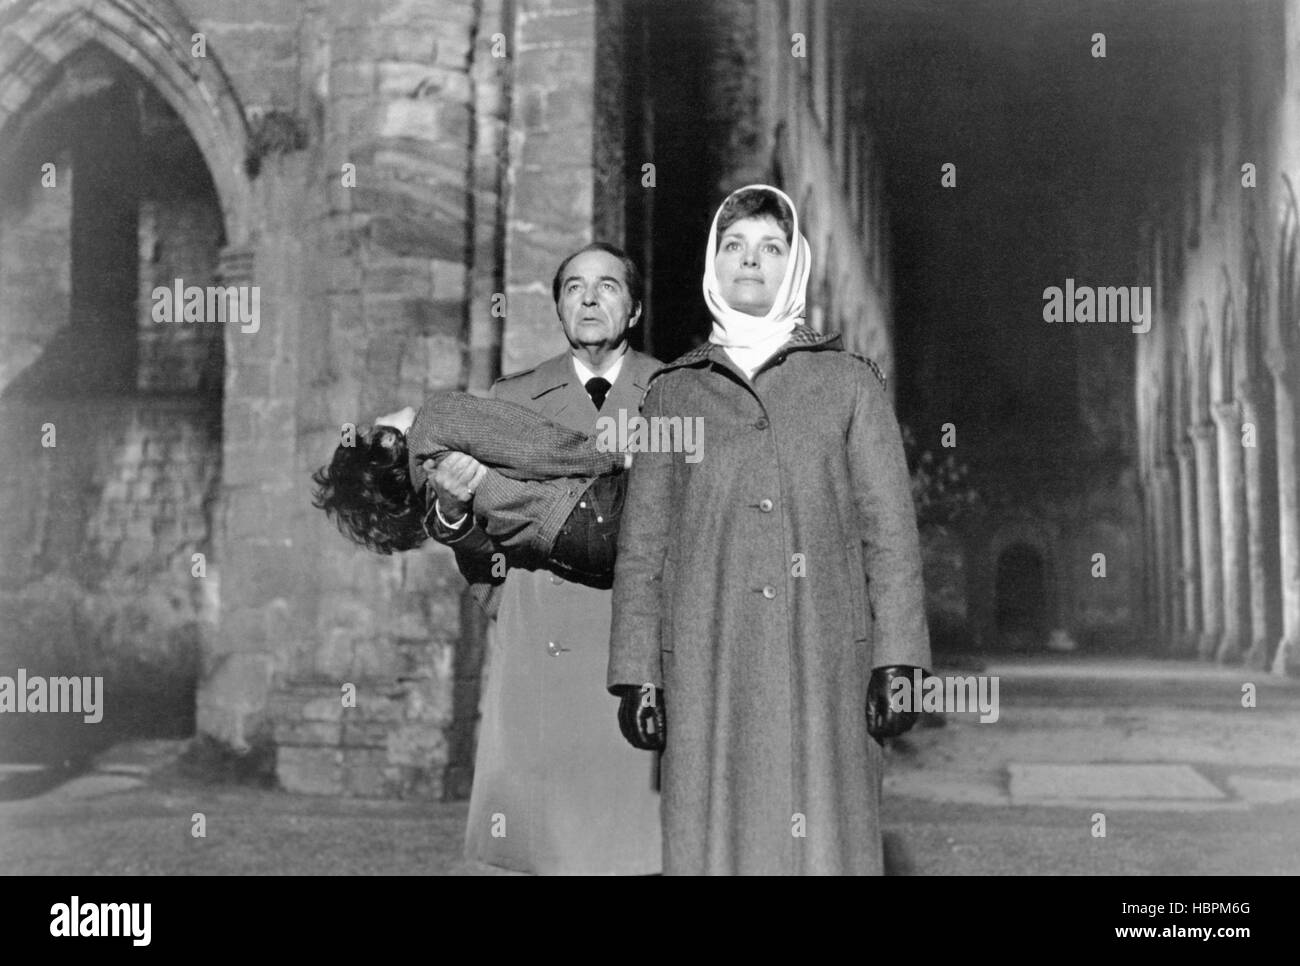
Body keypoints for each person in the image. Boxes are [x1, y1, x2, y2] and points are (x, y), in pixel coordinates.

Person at [608, 185, 931, 875]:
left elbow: (890, 535)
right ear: (712, 263)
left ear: (796, 266)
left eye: (770, 248)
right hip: (706, 661)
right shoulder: (674, 391)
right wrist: (638, 671)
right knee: (711, 842)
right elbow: (643, 549)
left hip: (824, 660)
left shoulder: (849, 384)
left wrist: (898, 658)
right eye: (734, 246)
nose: (750, 261)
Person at [426, 241, 663, 875]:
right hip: (540, 648)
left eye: (608, 286)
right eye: (573, 287)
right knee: (542, 854)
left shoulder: (675, 394)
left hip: (632, 651)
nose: (589, 298)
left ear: (634, 309)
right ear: (558, 307)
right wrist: (452, 516)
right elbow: (484, 553)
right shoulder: (512, 399)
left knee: (627, 854)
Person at [311, 390, 630, 595]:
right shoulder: (433, 421)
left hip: (583, 555)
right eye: (372, 424)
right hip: (594, 504)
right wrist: (618, 456)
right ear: (384, 441)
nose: (379, 416)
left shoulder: (434, 502)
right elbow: (535, 449)